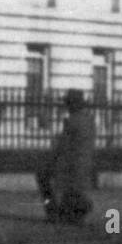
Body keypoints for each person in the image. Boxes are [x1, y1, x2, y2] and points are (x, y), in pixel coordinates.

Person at [35, 89, 96, 225]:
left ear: (72, 105)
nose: (66, 106)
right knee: (71, 188)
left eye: (68, 103)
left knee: (42, 175)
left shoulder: (71, 121)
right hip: (85, 164)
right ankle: (73, 212)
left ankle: (53, 212)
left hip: (70, 166)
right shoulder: (90, 120)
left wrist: (50, 160)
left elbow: (62, 147)